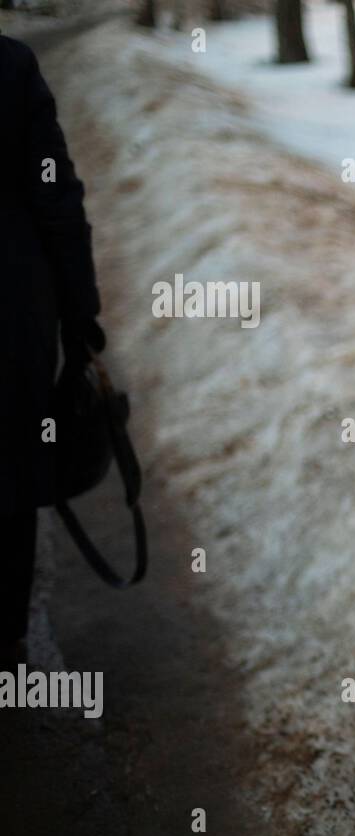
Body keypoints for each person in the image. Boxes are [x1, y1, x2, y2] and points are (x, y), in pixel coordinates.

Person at [0, 33, 107, 669]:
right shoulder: (10, 66)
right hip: (13, 316)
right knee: (11, 480)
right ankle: (6, 637)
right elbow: (56, 196)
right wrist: (79, 314)